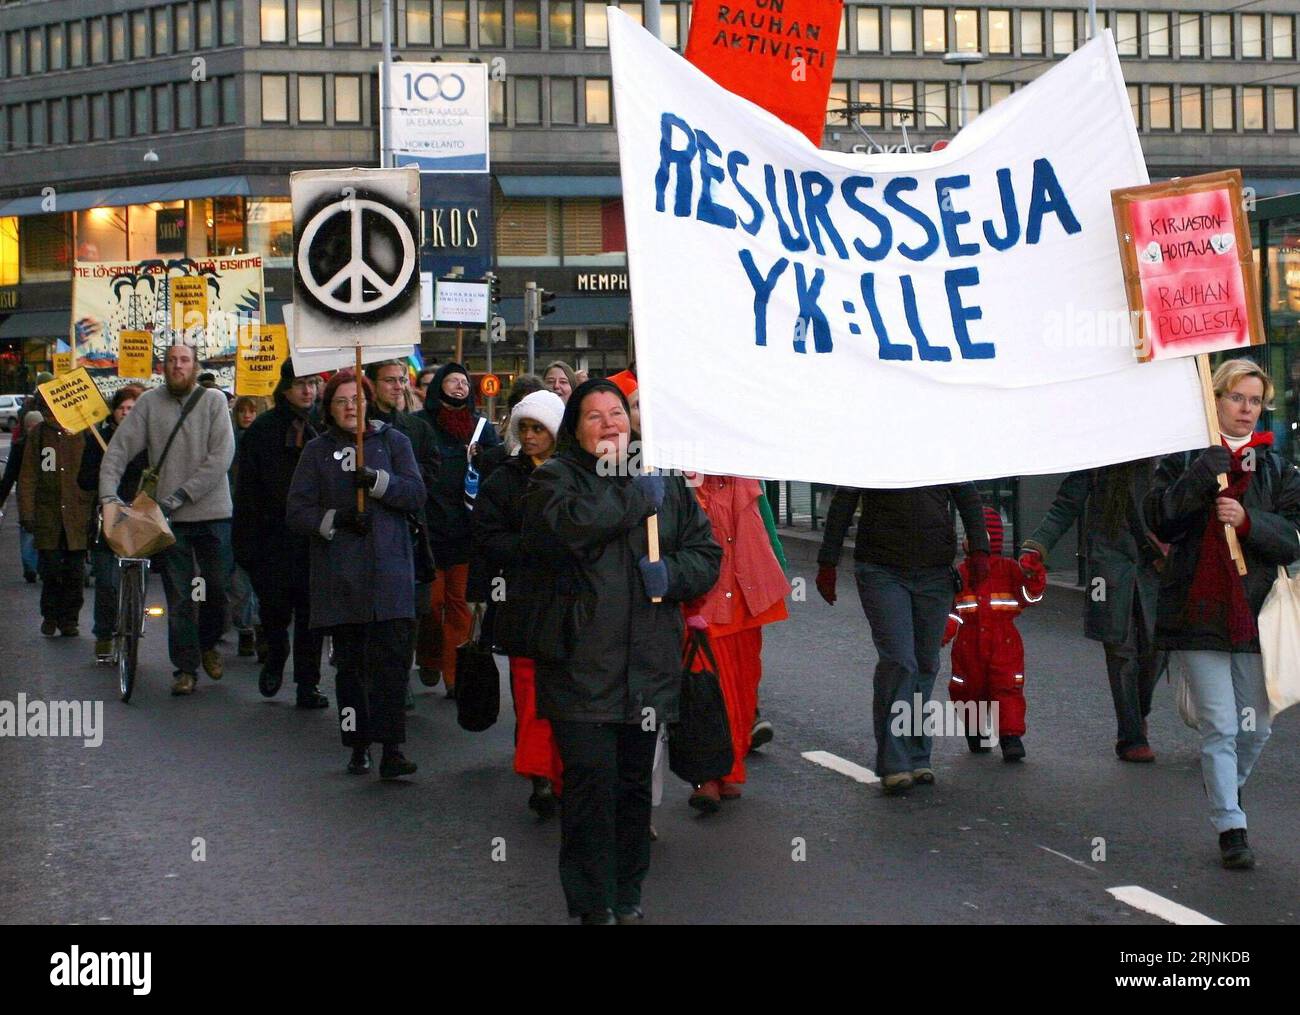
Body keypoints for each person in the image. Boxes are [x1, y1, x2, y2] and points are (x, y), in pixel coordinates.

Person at [520, 379, 721, 923]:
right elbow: (566, 531)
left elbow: (706, 554)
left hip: (649, 669)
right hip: (581, 669)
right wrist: (634, 500)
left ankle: (627, 892)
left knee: (633, 790)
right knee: (589, 788)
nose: (610, 424)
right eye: (594, 416)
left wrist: (673, 573)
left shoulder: (662, 481)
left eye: (617, 413)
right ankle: (591, 903)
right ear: (575, 428)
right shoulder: (556, 480)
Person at [1144, 359, 1300, 870]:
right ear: (1215, 401)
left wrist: (1250, 521)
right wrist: (1200, 471)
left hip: (1256, 615)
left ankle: (1225, 790)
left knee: (1256, 727)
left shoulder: (1275, 465)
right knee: (1221, 726)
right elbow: (1161, 518)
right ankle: (1231, 825)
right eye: (1237, 398)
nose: (1247, 409)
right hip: (1198, 611)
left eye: (1255, 401)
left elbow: (1292, 538)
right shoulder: (1185, 456)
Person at [286, 370, 427, 778]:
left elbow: (416, 493)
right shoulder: (316, 452)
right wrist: (338, 518)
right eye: (342, 401)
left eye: (358, 399)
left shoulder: (394, 443)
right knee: (351, 670)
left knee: (392, 667)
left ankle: (393, 749)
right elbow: (297, 512)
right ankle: (357, 743)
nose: (351, 408)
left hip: (391, 573)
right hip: (341, 578)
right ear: (329, 408)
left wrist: (380, 483)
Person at [816, 482, 988, 794]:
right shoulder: (874, 444)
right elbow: (845, 499)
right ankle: (895, 762)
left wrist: (979, 550)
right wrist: (827, 562)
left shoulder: (941, 444)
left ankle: (918, 755)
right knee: (899, 660)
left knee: (925, 663)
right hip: (882, 568)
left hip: (935, 571)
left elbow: (967, 493)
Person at [100, 343, 235, 697]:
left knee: (217, 590)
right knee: (179, 596)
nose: (178, 366)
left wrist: (184, 492)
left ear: (195, 365)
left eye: (185, 360)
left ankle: (209, 644)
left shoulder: (213, 402)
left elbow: (221, 456)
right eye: (172, 360)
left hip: (213, 513)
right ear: (163, 366)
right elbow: (119, 450)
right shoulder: (148, 403)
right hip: (169, 518)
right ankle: (185, 668)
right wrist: (107, 496)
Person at [1021, 459, 1166, 762]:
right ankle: (1131, 735)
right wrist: (1037, 546)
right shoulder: (1100, 453)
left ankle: (1136, 713)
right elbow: (1066, 503)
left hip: (1159, 564)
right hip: (1109, 563)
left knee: (1158, 648)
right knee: (1120, 648)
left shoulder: (1166, 448)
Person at [471, 389, 567, 818]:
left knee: (566, 693)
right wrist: (530, 547)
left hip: (569, 602)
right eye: (524, 428)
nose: (529, 436)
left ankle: (563, 772)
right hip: (522, 601)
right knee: (529, 692)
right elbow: (487, 538)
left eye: (538, 429)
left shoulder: (576, 475)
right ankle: (539, 774)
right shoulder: (503, 480)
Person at [681, 471, 790, 811]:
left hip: (747, 595)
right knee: (708, 689)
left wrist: (778, 572)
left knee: (744, 687)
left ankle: (730, 769)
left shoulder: (743, 474)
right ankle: (706, 777)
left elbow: (765, 524)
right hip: (704, 600)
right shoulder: (681, 479)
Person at [232, 361, 329, 708]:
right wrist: (245, 544)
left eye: (312, 383)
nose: (307, 391)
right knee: (275, 612)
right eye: (300, 383)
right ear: (285, 388)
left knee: (311, 617)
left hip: (313, 539)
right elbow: (247, 490)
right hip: (272, 539)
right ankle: (275, 654)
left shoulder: (322, 427)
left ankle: (308, 684)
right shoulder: (263, 430)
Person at [415, 362, 502, 697]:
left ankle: (454, 676)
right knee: (431, 604)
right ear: (438, 387)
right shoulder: (421, 425)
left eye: (464, 382)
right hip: (430, 528)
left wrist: (484, 458)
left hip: (467, 530)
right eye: (451, 381)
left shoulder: (481, 427)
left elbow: (496, 471)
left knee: (460, 607)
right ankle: (430, 656)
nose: (459, 386)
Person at [944, 507, 1047, 761]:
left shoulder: (1009, 569)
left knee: (1007, 688)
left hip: (1004, 642)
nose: (968, 540)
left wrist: (1034, 576)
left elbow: (1029, 597)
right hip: (969, 644)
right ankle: (976, 730)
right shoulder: (962, 572)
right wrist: (941, 635)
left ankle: (1010, 736)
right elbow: (953, 610)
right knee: (967, 689)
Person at [365, 359, 440, 706]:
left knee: (409, 611)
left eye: (402, 380)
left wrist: (399, 478)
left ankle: (399, 676)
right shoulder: (358, 431)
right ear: (372, 384)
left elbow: (430, 472)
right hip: (366, 532)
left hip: (409, 530)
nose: (398, 387)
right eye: (389, 381)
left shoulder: (417, 428)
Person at [78, 385, 146, 662]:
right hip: (108, 518)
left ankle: (134, 622)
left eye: (133, 409)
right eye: (122, 409)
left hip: (141, 519)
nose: (127, 414)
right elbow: (82, 479)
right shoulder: (99, 439)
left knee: (140, 574)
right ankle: (104, 634)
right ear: (114, 412)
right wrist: (106, 472)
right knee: (106, 582)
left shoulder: (148, 440)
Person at [18, 398, 95, 637]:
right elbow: (28, 475)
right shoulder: (39, 435)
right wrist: (27, 513)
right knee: (50, 569)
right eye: (45, 409)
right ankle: (50, 614)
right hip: (48, 514)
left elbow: (94, 471)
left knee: (74, 571)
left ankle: (69, 619)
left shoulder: (83, 432)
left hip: (78, 514)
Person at [227, 395, 264, 658]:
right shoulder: (229, 441)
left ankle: (260, 627)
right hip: (235, 513)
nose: (247, 416)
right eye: (243, 411)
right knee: (240, 581)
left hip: (261, 516)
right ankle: (246, 628)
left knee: (261, 580)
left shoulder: (265, 439)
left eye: (252, 411)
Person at [0, 410, 43, 583]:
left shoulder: (47, 445)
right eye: (30, 426)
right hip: (26, 492)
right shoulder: (20, 446)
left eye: (35, 426)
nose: (32, 429)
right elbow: (10, 474)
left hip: (43, 493)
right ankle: (31, 566)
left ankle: (34, 565)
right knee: (28, 528)